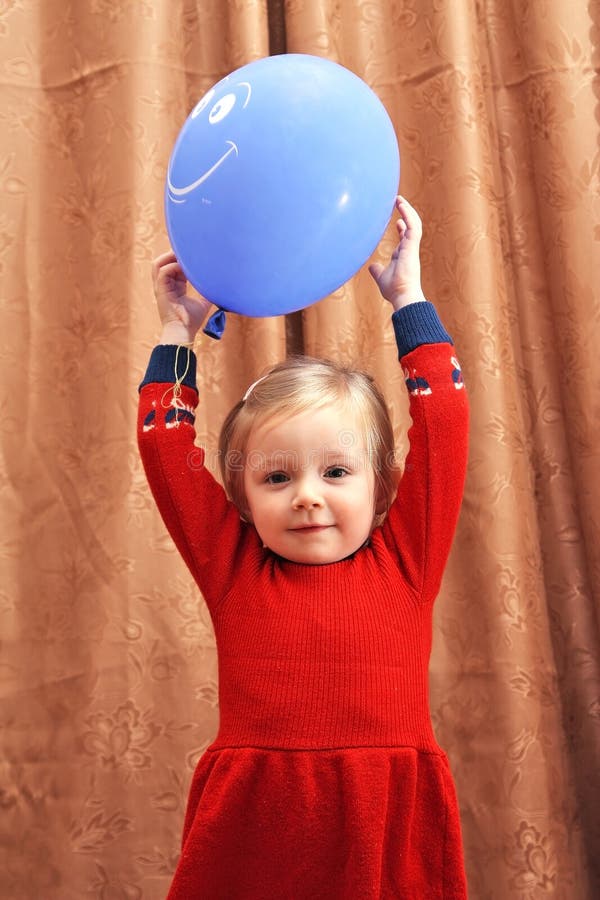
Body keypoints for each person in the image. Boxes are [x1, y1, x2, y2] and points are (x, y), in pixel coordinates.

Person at [138, 197, 469, 899]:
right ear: (241, 496)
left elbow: (443, 417)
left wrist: (409, 299)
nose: (308, 496)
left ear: (382, 487)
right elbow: (164, 447)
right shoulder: (233, 571)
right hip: (259, 829)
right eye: (277, 477)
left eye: (337, 472)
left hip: (384, 824)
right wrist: (177, 331)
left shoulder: (407, 564)